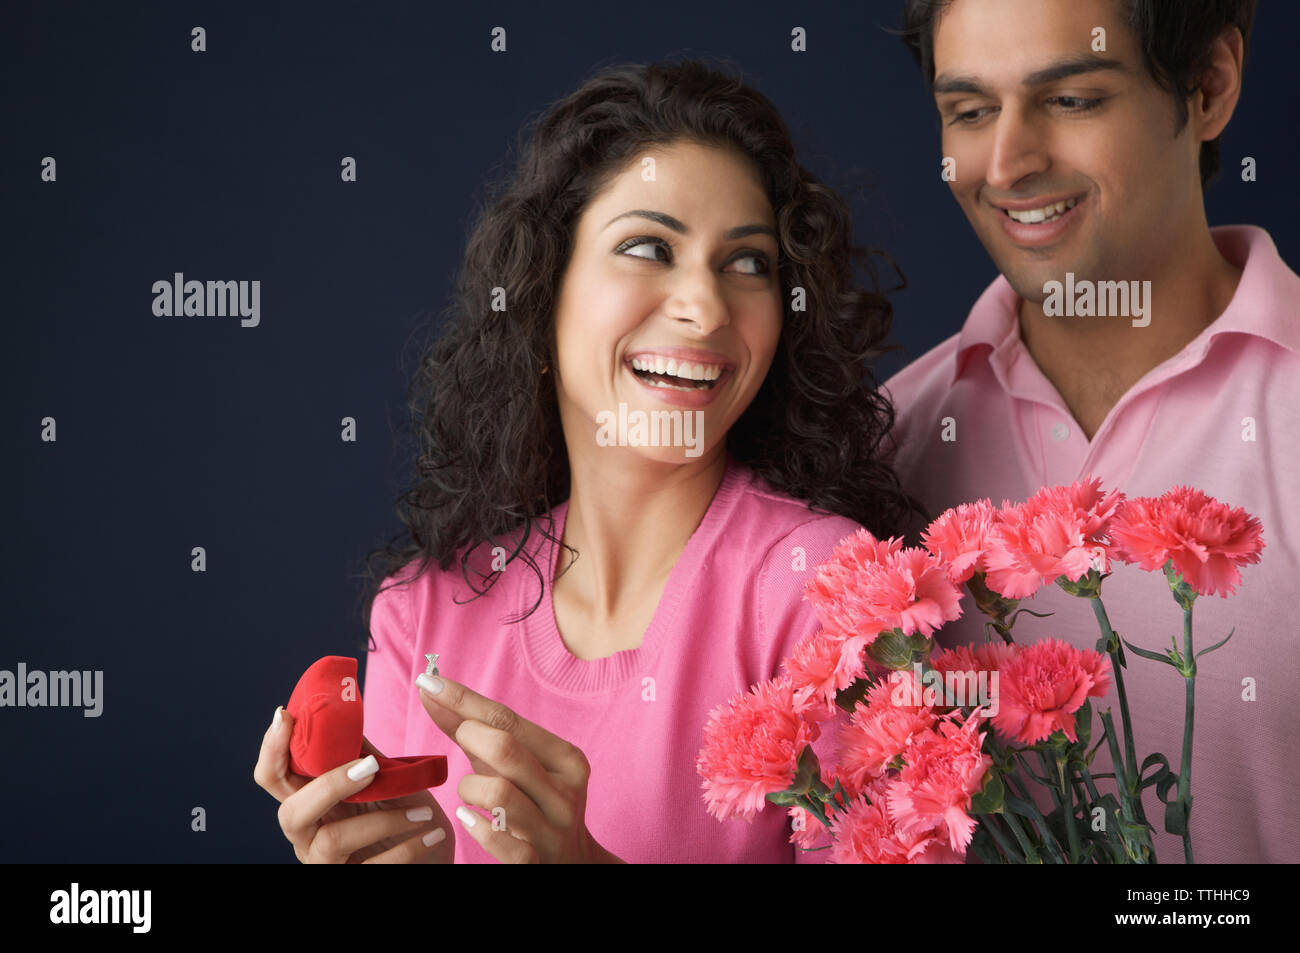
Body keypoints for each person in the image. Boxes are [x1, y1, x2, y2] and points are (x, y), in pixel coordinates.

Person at [254, 59, 921, 863]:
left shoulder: (833, 594)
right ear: (542, 292)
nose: (706, 307)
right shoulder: (422, 613)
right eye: (648, 246)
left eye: (748, 263)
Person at [884, 0, 1299, 862]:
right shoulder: (890, 447)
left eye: (1071, 100)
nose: (1006, 163)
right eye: (968, 112)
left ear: (1211, 86)